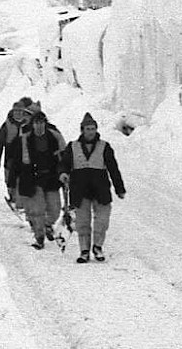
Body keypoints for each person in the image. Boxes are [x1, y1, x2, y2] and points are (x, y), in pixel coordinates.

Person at [59, 112, 126, 263]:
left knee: (102, 220)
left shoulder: (104, 146)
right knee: (82, 222)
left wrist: (119, 188)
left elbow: (113, 168)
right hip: (80, 189)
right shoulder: (72, 147)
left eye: (93, 129)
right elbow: (64, 164)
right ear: (82, 130)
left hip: (100, 189)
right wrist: (63, 173)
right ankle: (84, 250)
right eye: (88, 129)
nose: (91, 132)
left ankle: (97, 247)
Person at [14, 110, 66, 249]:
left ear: (45, 123)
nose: (39, 125)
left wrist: (64, 172)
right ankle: (39, 237)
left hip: (51, 178)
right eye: (36, 123)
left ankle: (47, 224)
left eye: (41, 122)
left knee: (55, 209)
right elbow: (17, 161)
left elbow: (64, 157)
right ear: (33, 124)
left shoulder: (54, 137)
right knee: (37, 211)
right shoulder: (25, 139)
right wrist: (14, 181)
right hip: (33, 178)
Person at [0, 99, 30, 209]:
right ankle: (12, 196)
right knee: (9, 178)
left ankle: (22, 199)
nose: (18, 113)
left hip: (25, 156)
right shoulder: (6, 125)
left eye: (20, 111)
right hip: (10, 156)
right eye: (16, 111)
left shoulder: (29, 125)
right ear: (13, 112)